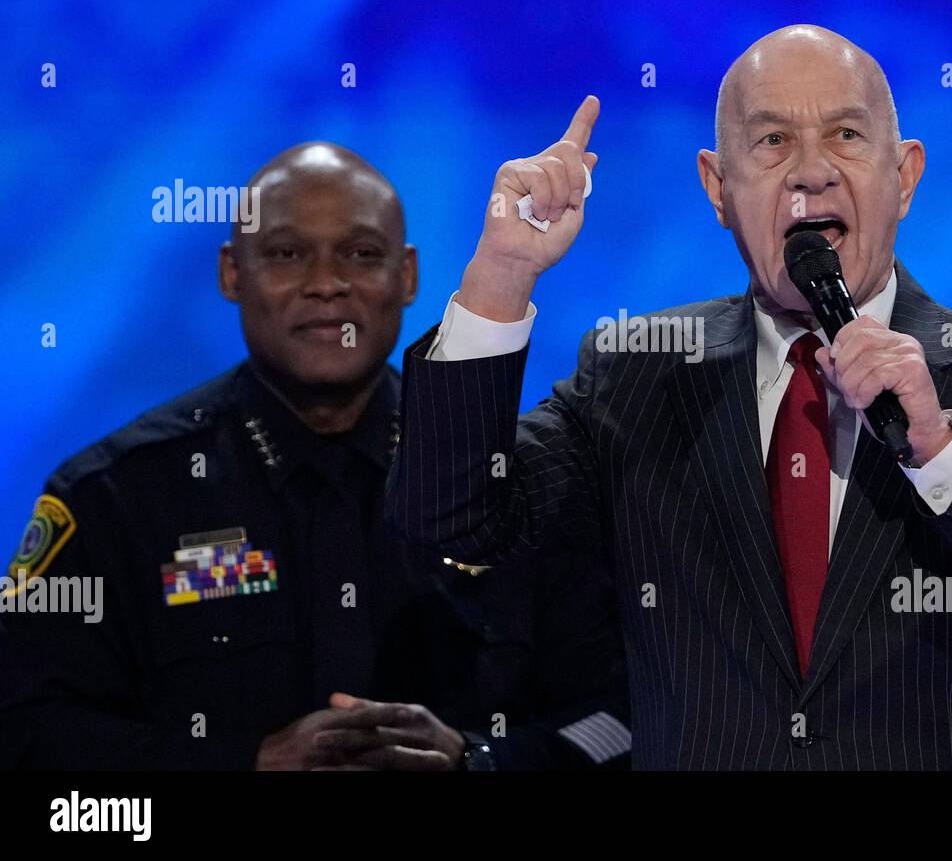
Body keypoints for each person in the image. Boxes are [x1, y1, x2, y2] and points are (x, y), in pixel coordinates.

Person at [386, 25, 952, 770]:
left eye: (847, 136)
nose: (811, 171)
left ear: (906, 175)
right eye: (772, 140)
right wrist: (501, 276)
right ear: (718, 189)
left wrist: (942, 451)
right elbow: (447, 518)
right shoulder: (637, 375)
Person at [0, 142, 629, 770]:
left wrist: (476, 760)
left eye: (361, 254)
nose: (327, 284)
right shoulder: (116, 497)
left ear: (406, 275)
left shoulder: (512, 481)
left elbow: (625, 720)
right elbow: (27, 732)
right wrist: (246, 764)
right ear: (231, 272)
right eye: (285, 254)